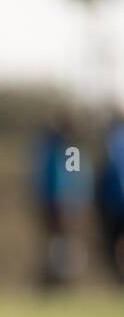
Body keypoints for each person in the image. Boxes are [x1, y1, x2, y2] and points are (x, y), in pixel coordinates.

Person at [31, 113, 90, 289]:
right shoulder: (59, 148)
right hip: (58, 206)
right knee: (58, 246)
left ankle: (61, 282)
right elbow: (66, 179)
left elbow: (75, 178)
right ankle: (55, 282)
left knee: (62, 246)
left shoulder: (65, 149)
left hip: (62, 206)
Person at [96, 111, 124, 285]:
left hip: (114, 204)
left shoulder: (109, 142)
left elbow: (104, 173)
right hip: (114, 201)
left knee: (113, 245)